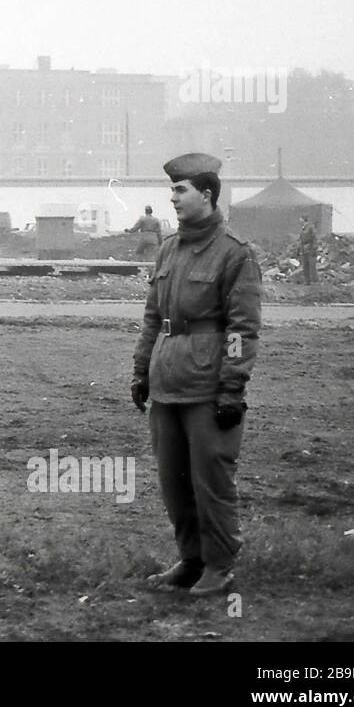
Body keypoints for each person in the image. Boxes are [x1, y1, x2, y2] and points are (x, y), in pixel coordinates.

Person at [133, 153, 262, 597]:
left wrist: (231, 388)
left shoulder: (234, 254)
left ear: (206, 195)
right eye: (171, 190)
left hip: (208, 388)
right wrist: (140, 371)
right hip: (167, 382)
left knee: (211, 482)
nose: (172, 198)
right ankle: (190, 560)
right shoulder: (169, 248)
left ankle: (220, 566)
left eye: (180, 190)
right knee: (174, 482)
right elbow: (154, 317)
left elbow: (242, 329)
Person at [297, 215, 318, 284]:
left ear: (304, 219)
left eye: (300, 218)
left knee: (312, 266)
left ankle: (315, 281)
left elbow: (314, 238)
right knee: (305, 266)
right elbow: (301, 240)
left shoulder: (310, 227)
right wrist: (299, 249)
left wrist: (313, 248)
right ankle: (307, 281)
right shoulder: (303, 228)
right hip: (304, 249)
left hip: (310, 248)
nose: (299, 220)